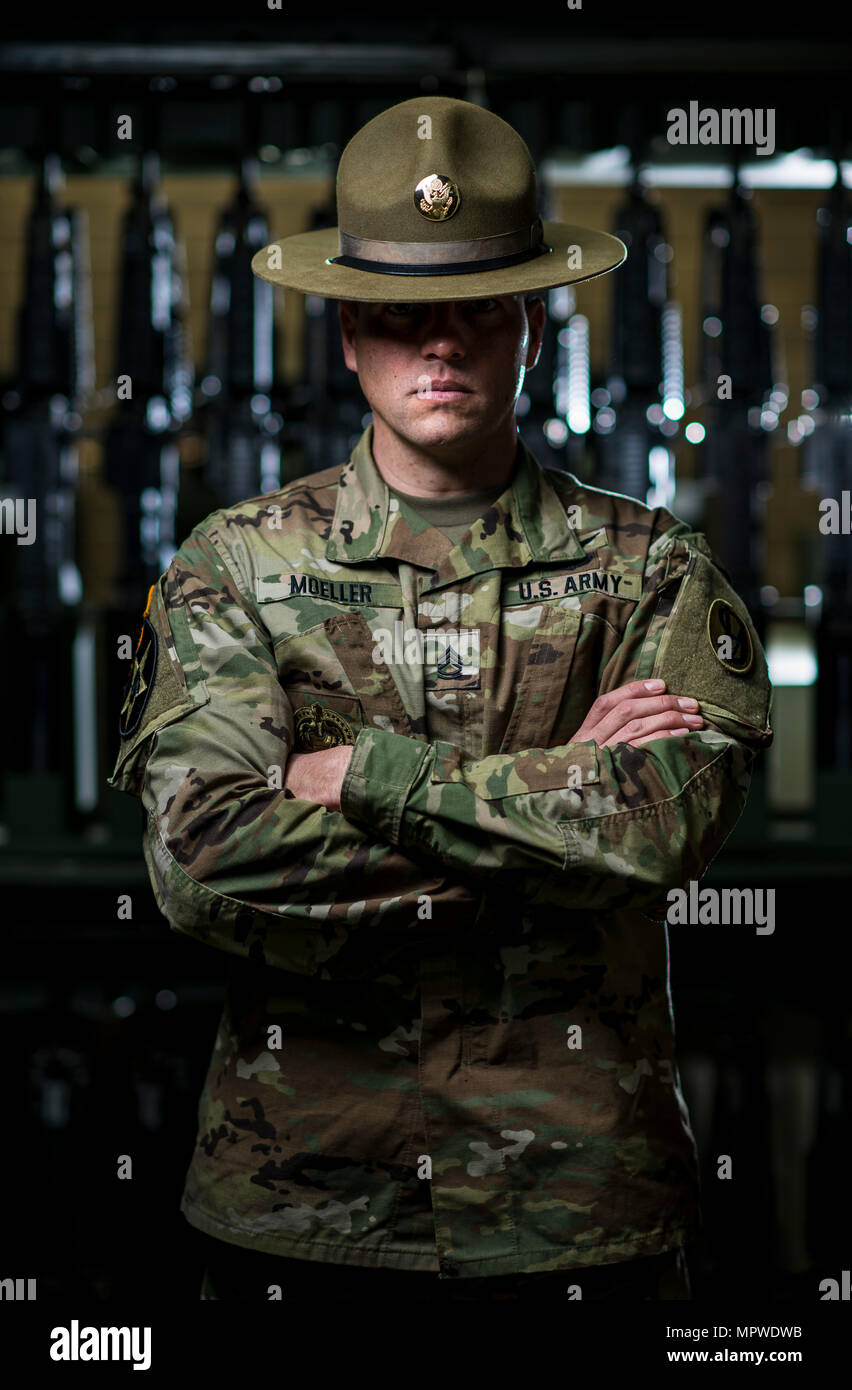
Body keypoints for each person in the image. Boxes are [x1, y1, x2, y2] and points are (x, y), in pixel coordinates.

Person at [108, 95, 773, 1302]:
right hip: (302, 1210)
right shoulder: (235, 565)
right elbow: (202, 862)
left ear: (531, 326)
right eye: (401, 315)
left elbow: (663, 827)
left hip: (578, 1215)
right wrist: (563, 820)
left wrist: (364, 776)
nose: (442, 345)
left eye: (480, 307)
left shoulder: (650, 565)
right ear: (349, 335)